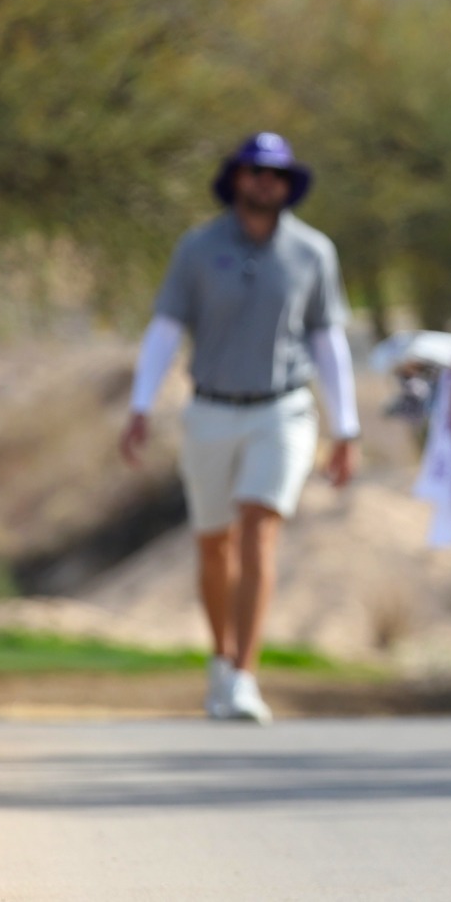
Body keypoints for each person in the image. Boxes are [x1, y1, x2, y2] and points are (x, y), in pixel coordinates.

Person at [120, 133, 360, 725]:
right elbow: (166, 328)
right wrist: (140, 405)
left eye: (275, 174)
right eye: (254, 172)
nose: (264, 182)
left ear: (287, 185)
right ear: (235, 180)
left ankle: (246, 676)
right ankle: (221, 659)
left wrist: (346, 426)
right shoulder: (198, 249)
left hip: (283, 409)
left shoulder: (312, 252)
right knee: (213, 542)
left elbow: (328, 340)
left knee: (259, 527)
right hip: (210, 409)